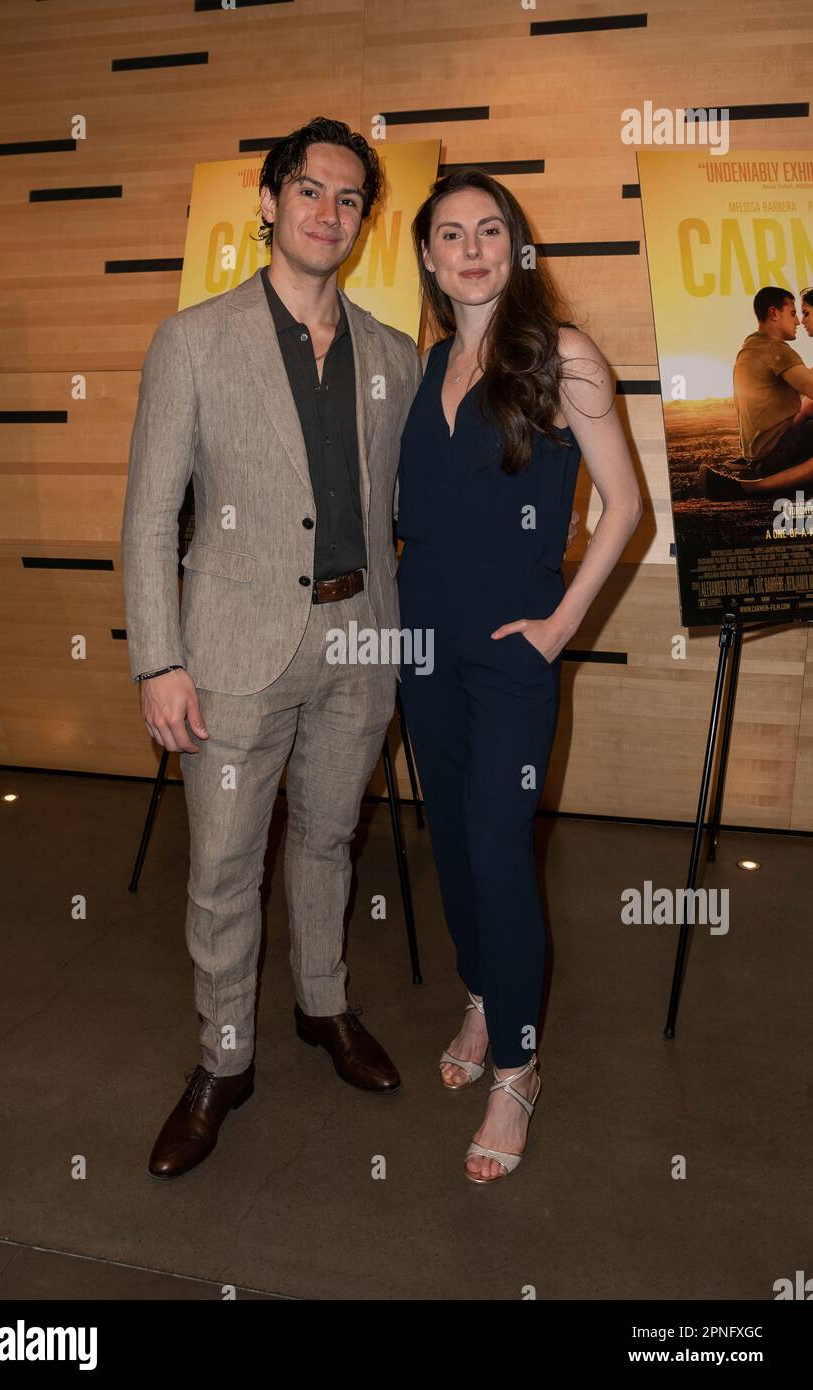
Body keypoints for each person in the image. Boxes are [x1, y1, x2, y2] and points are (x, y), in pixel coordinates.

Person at [121, 117, 422, 1180]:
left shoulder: (395, 354)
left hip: (359, 640)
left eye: (348, 199)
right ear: (267, 200)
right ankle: (223, 1060)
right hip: (233, 651)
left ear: (362, 220)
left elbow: (413, 504)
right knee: (221, 866)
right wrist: (158, 660)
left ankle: (324, 1004)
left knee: (329, 841)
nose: (328, 212)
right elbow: (152, 514)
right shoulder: (194, 340)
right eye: (309, 191)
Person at [396, 168, 642, 1184]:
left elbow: (627, 507)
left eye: (489, 228)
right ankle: (483, 993)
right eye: (449, 234)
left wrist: (557, 628)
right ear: (427, 258)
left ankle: (518, 1070)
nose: (471, 248)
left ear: (517, 243)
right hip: (423, 645)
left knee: (500, 849)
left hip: (512, 657)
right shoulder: (428, 362)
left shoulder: (564, 356)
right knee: (449, 840)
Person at [700, 286, 813, 499]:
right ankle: (746, 488)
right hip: (775, 454)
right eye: (793, 313)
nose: (798, 321)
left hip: (759, 452)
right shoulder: (776, 351)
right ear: (773, 313)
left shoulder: (751, 344)